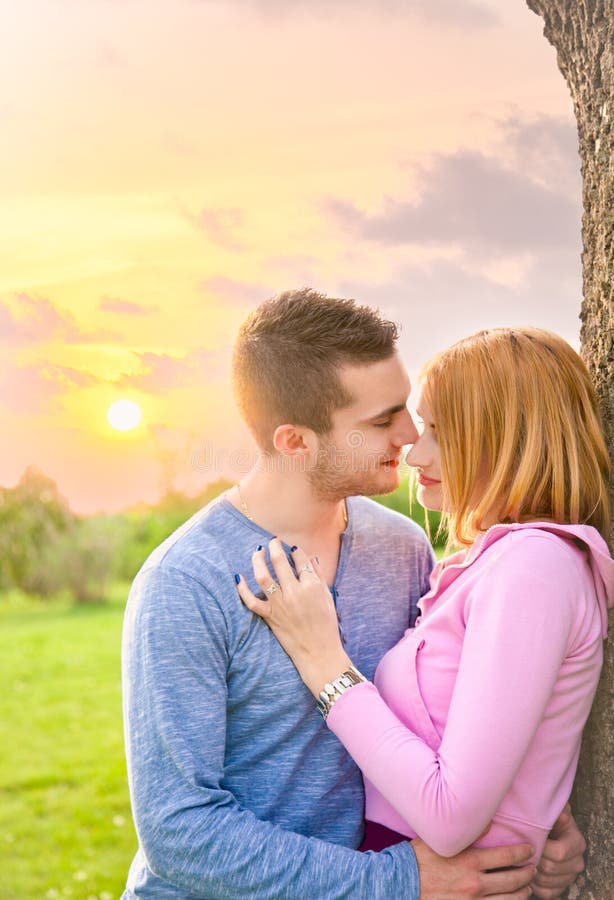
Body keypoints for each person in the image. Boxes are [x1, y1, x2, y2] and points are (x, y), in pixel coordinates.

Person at [122, 292, 586, 899]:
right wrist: (392, 881)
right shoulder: (188, 581)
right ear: (295, 441)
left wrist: (536, 827)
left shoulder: (403, 547)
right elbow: (179, 831)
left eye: (405, 408)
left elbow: (446, 718)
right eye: (381, 420)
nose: (411, 434)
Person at [237, 324, 613, 876]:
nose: (415, 452)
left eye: (438, 429)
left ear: (506, 437)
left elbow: (449, 815)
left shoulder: (536, 568)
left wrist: (325, 662)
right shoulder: (492, 563)